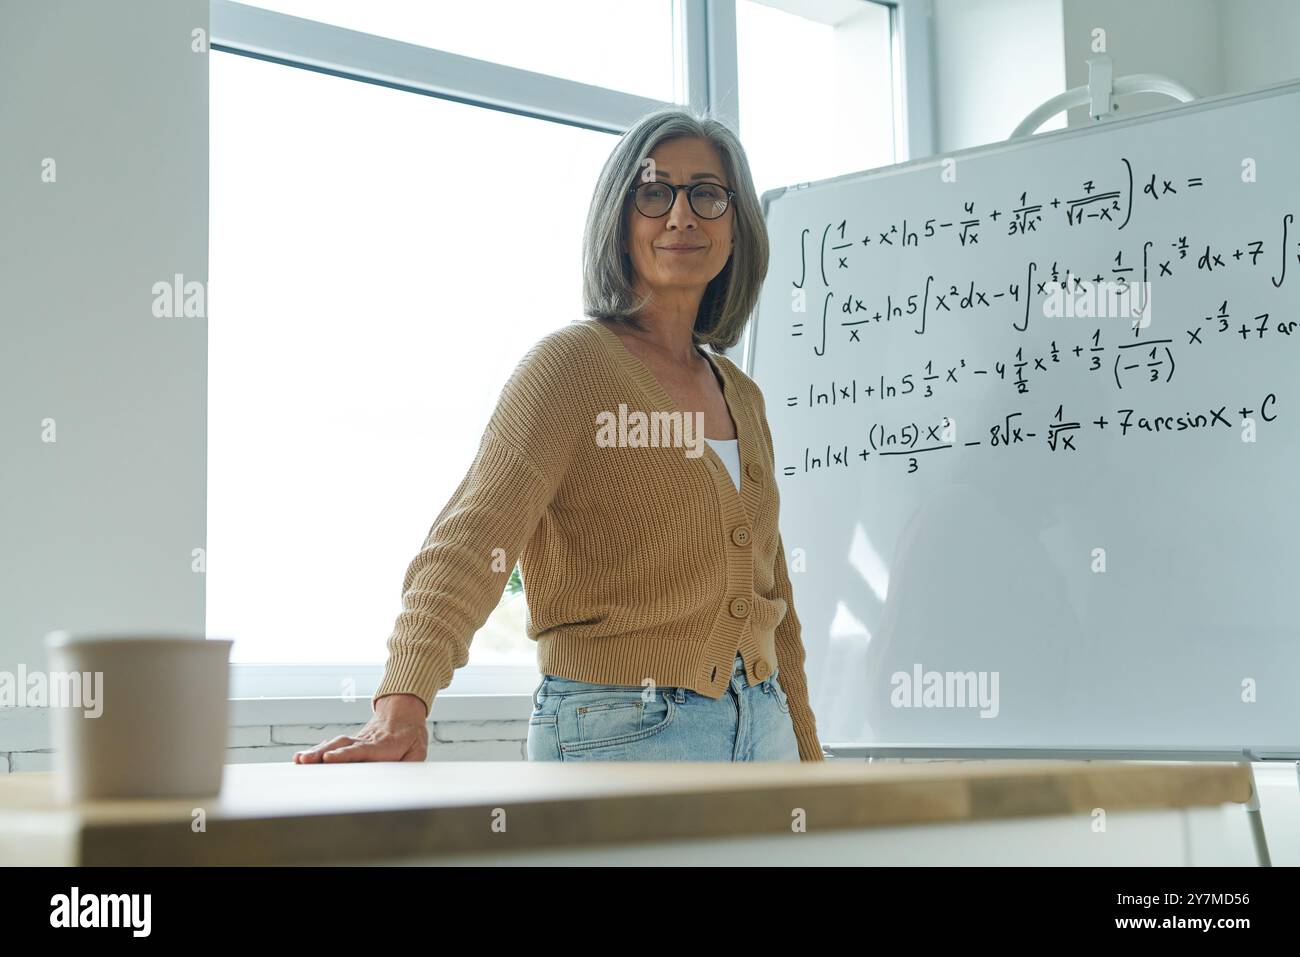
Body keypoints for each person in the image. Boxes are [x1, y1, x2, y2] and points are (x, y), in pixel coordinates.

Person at [294, 107, 823, 764]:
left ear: (736, 228)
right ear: (619, 219)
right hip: (624, 732)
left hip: (764, 729)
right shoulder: (571, 366)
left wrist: (809, 759)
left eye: (707, 194)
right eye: (654, 192)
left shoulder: (742, 394)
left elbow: (778, 606)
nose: (681, 216)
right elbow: (471, 540)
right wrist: (401, 705)